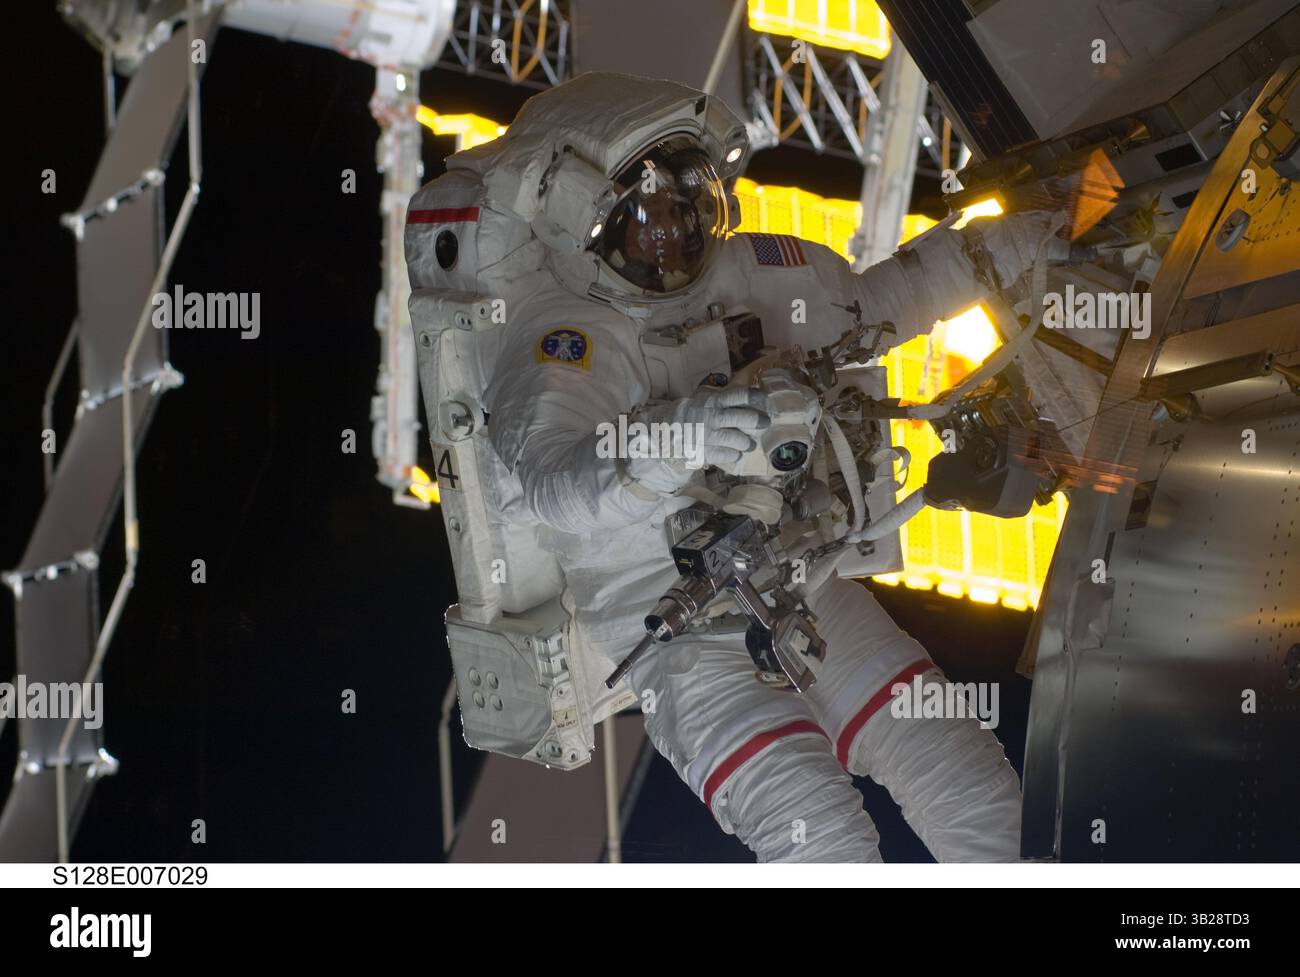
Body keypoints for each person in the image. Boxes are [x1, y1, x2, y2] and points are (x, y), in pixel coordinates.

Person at [411, 72, 1073, 861]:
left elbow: (893, 296)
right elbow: (557, 485)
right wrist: (682, 437)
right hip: (679, 635)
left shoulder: (758, 275)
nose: (671, 233)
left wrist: (1017, 242)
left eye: (688, 203)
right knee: (822, 841)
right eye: (644, 213)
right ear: (577, 222)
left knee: (962, 775)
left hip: (803, 582)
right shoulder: (565, 341)